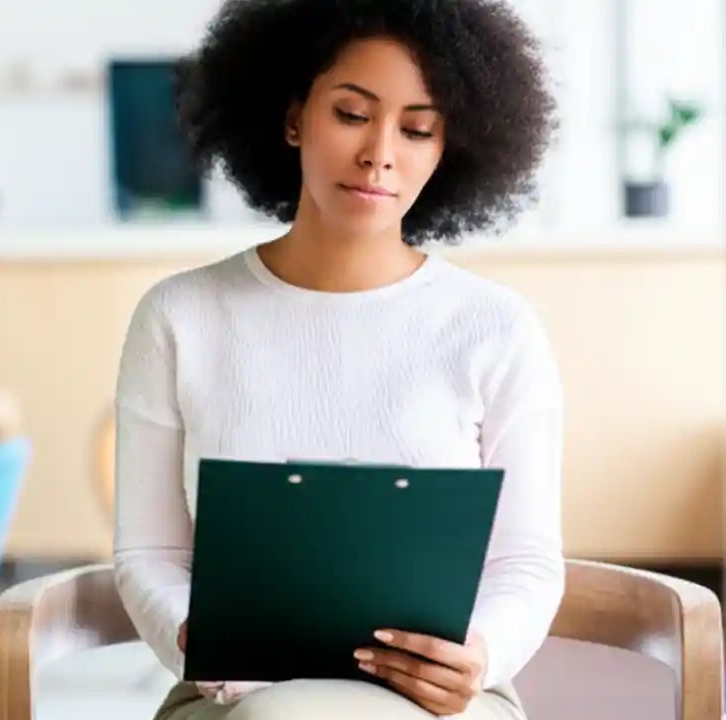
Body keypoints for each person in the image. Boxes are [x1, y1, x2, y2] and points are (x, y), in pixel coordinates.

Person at [112, 0, 563, 717]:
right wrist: (200, 642)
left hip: (443, 700)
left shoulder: (495, 328)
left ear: (447, 148)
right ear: (294, 118)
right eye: (352, 114)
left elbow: (526, 562)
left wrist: (480, 654)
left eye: (417, 129)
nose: (380, 152)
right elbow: (149, 556)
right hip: (231, 696)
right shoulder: (180, 316)